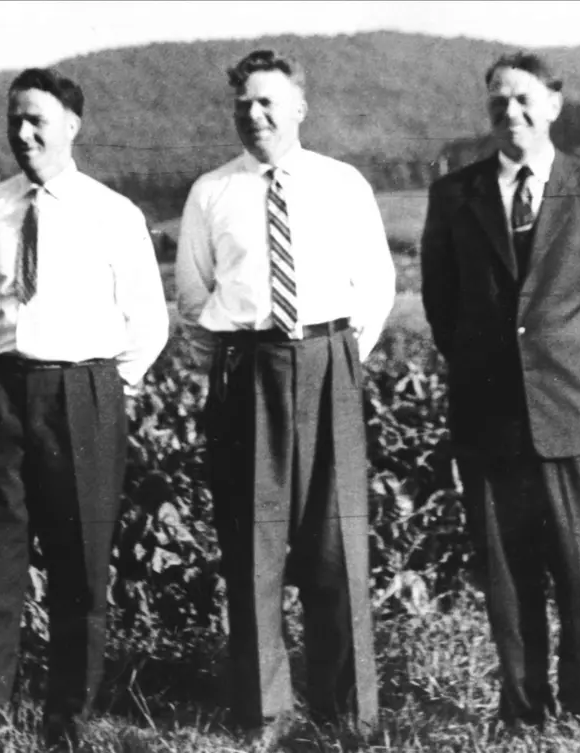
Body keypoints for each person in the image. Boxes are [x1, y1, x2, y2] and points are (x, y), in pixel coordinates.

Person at [0, 67, 169, 753]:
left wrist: (102, 391)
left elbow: (148, 321)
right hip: (1, 395)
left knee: (79, 574)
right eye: (14, 119)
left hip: (83, 396)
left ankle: (66, 729)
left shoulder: (114, 212)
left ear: (72, 124)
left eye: (37, 118)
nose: (24, 132)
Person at [175, 49, 396, 744]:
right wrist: (246, 367)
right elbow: (193, 297)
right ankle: (263, 712)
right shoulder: (212, 192)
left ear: (299, 107)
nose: (255, 115)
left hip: (330, 362)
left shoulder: (342, 183)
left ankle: (348, 712)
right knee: (253, 545)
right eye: (244, 104)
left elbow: (377, 284)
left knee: (337, 544)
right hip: (248, 370)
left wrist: (335, 362)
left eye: (269, 102)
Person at [420, 52, 580, 727]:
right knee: (507, 577)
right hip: (489, 416)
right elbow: (442, 305)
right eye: (498, 103)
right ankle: (522, 712)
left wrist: (577, 372)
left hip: (573, 413)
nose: (510, 114)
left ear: (553, 103)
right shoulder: (453, 195)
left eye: (523, 100)